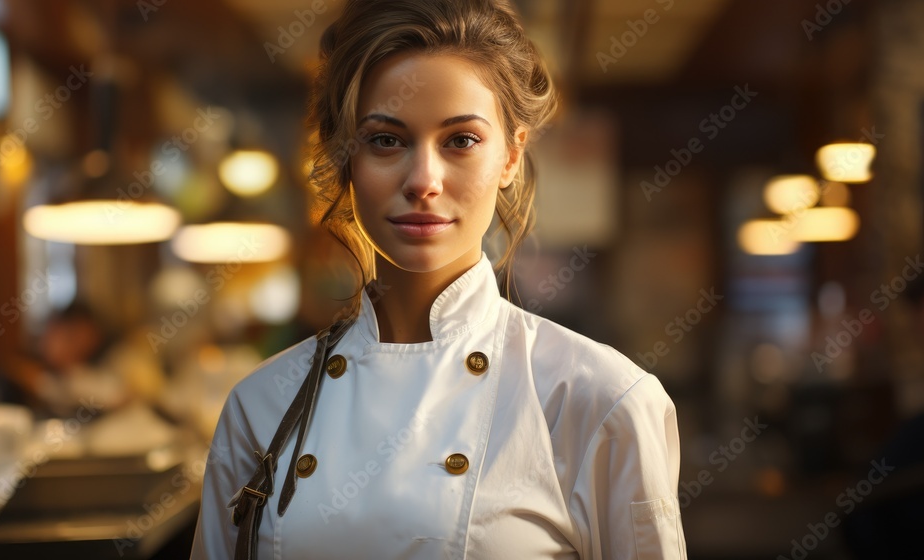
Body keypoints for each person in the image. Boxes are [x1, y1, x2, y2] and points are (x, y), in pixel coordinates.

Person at [191, 0, 686, 558]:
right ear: (345, 157)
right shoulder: (259, 406)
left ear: (511, 156)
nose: (423, 179)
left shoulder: (601, 401)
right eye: (385, 140)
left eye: (460, 140)